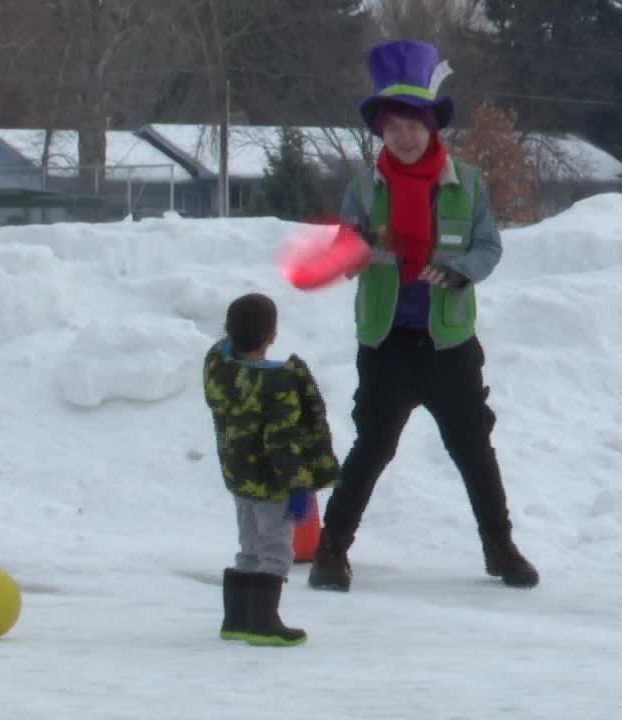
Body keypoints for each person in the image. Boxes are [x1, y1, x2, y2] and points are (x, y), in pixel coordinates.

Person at [307, 39, 539, 592]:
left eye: (413, 125)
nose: (404, 136)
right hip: (386, 343)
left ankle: (501, 548)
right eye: (394, 127)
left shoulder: (468, 184)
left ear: (432, 128)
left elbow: (488, 246)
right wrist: (357, 247)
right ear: (381, 133)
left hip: (448, 344)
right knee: (372, 448)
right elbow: (344, 252)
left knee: (473, 450)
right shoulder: (364, 188)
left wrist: (461, 272)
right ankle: (331, 552)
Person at [203, 292, 340, 646]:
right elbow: (283, 441)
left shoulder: (219, 370)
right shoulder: (277, 384)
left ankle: (237, 619)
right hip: (272, 483)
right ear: (272, 335)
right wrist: (298, 486)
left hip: (240, 479)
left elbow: (221, 347)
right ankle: (264, 623)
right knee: (276, 550)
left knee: (249, 546)